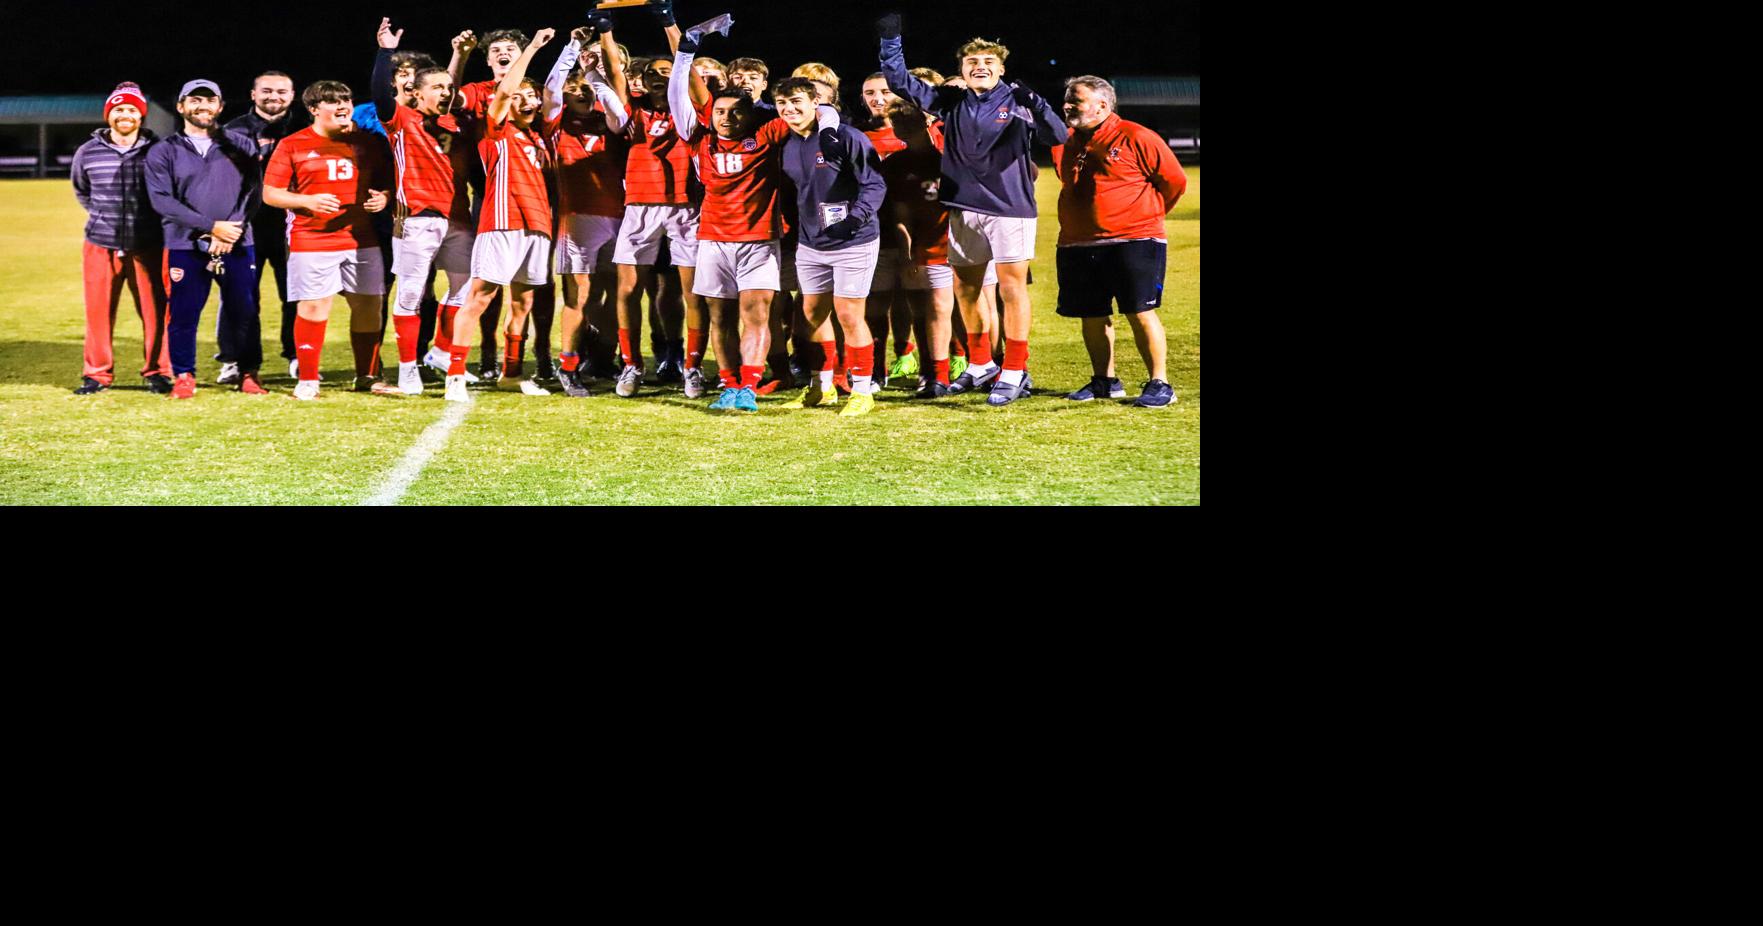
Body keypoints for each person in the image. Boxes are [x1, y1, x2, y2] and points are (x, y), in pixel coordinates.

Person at [878, 15, 1068, 406]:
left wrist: (1036, 102)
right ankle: (981, 362)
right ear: (962, 71)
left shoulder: (1017, 101)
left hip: (1009, 209)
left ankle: (1014, 368)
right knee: (966, 288)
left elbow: (1057, 135)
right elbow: (900, 83)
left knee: (1011, 288)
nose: (979, 66)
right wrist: (890, 40)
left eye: (987, 62)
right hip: (963, 207)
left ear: (1001, 69)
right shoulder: (950, 102)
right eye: (971, 62)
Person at [668, 19, 816, 413]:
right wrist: (684, 53)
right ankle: (729, 383)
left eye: (736, 112)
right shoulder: (700, 140)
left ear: (751, 116)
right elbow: (678, 96)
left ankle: (748, 386)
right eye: (720, 111)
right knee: (719, 317)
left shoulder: (766, 136)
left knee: (757, 314)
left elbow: (808, 113)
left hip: (759, 240)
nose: (727, 118)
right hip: (713, 240)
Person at [439, 26, 559, 402]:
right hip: (503, 220)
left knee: (523, 302)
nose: (524, 100)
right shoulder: (497, 129)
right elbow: (503, 93)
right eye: (518, 96)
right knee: (481, 296)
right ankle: (455, 375)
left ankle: (511, 373)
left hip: (538, 225)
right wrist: (533, 47)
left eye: (530, 96)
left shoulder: (539, 138)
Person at [1055, 76, 1186, 408]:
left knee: (1139, 311)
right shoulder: (1067, 141)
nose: (1067, 105)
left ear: (1102, 105)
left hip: (1133, 239)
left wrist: (1144, 216)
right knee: (1091, 314)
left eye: (1076, 100)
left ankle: (1160, 383)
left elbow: (1174, 181)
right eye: (1067, 99)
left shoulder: (1136, 135)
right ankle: (1105, 381)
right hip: (1078, 242)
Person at [262, 80, 395, 400]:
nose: (343, 106)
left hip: (362, 239)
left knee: (370, 306)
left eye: (346, 100)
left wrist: (384, 198)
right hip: (312, 239)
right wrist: (306, 201)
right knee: (314, 307)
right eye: (333, 101)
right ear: (313, 109)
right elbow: (270, 193)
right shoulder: (293, 144)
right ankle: (308, 380)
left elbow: (388, 183)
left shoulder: (368, 143)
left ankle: (367, 375)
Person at [772, 77, 887, 418]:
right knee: (811, 313)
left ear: (815, 103)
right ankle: (821, 387)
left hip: (854, 240)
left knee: (849, 314)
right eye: (782, 103)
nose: (789, 109)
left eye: (796, 101)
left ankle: (862, 391)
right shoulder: (787, 143)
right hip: (811, 243)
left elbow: (875, 184)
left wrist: (855, 219)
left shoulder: (847, 137)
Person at [144, 79, 266, 399]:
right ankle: (184, 375)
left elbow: (254, 190)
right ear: (181, 106)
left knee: (245, 310)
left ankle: (248, 372)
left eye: (210, 100)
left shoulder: (242, 144)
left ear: (220, 107)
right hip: (184, 244)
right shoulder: (163, 151)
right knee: (183, 313)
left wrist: (232, 228)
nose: (203, 106)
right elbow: (162, 200)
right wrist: (211, 227)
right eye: (195, 100)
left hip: (237, 242)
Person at [373, 19, 476, 395]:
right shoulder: (401, 119)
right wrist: (385, 52)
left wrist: (459, 57)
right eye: (437, 88)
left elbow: (452, 85)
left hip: (458, 218)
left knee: (464, 289)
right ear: (415, 93)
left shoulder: (456, 123)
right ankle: (407, 371)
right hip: (416, 217)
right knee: (411, 293)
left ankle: (445, 355)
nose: (446, 92)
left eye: (448, 88)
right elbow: (380, 93)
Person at [610, 1, 705, 398]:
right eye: (651, 73)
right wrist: (605, 30)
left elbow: (689, 68)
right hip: (640, 206)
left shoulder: (694, 112)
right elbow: (615, 74)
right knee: (628, 290)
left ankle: (692, 368)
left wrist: (669, 22)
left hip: (685, 206)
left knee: (692, 292)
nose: (658, 78)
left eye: (666, 72)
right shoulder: (633, 113)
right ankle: (632, 365)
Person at [545, 18, 630, 397]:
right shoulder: (557, 122)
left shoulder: (609, 119)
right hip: (577, 218)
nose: (581, 92)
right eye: (574, 87)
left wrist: (595, 76)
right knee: (579, 294)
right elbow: (550, 90)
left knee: (614, 294)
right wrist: (570, 51)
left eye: (586, 87)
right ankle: (568, 365)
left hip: (619, 216)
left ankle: (602, 357)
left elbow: (619, 114)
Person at [71, 82, 172, 396]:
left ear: (140, 116)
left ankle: (158, 372)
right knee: (98, 313)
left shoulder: (158, 150)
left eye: (131, 109)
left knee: (156, 312)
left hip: (149, 243)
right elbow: (82, 190)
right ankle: (97, 374)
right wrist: (104, 216)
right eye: (118, 109)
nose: (125, 115)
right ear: (108, 115)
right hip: (100, 243)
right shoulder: (87, 152)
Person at [226, 71, 306, 378]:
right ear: (253, 94)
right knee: (242, 296)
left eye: (282, 91)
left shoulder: (304, 127)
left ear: (293, 95)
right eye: (267, 91)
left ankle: (296, 355)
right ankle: (236, 359)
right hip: (245, 226)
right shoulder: (233, 130)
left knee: (295, 294)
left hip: (292, 226)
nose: (274, 96)